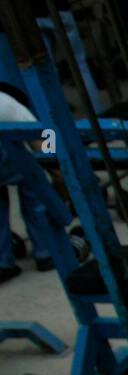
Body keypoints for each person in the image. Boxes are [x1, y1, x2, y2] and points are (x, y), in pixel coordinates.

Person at [0, 81, 53, 281]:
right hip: (9, 160)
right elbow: (44, 138)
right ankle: (46, 251)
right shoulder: (9, 104)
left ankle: (3, 262)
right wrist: (58, 171)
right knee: (34, 192)